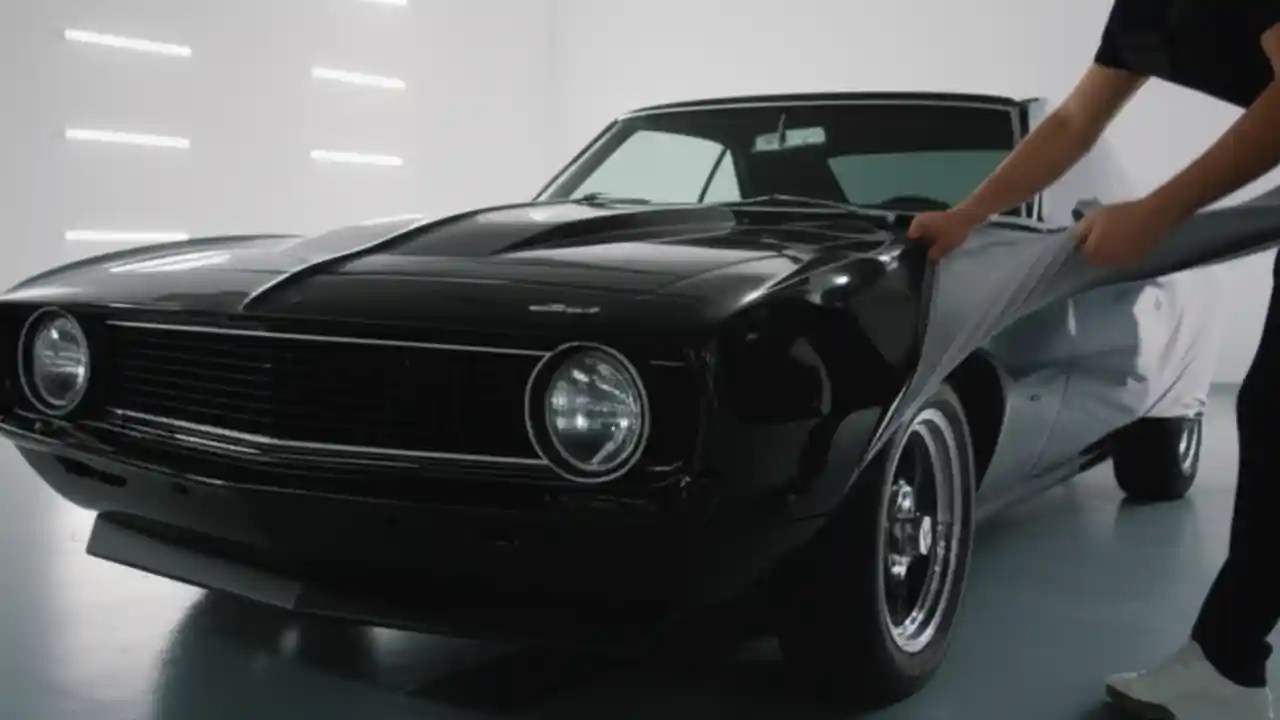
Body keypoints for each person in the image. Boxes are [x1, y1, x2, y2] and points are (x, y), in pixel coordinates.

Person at [907, 2, 1280, 718]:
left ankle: (1228, 665)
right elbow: (1077, 121)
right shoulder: (1141, 11)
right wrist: (968, 215)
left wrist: (1155, 211)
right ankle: (1228, 663)